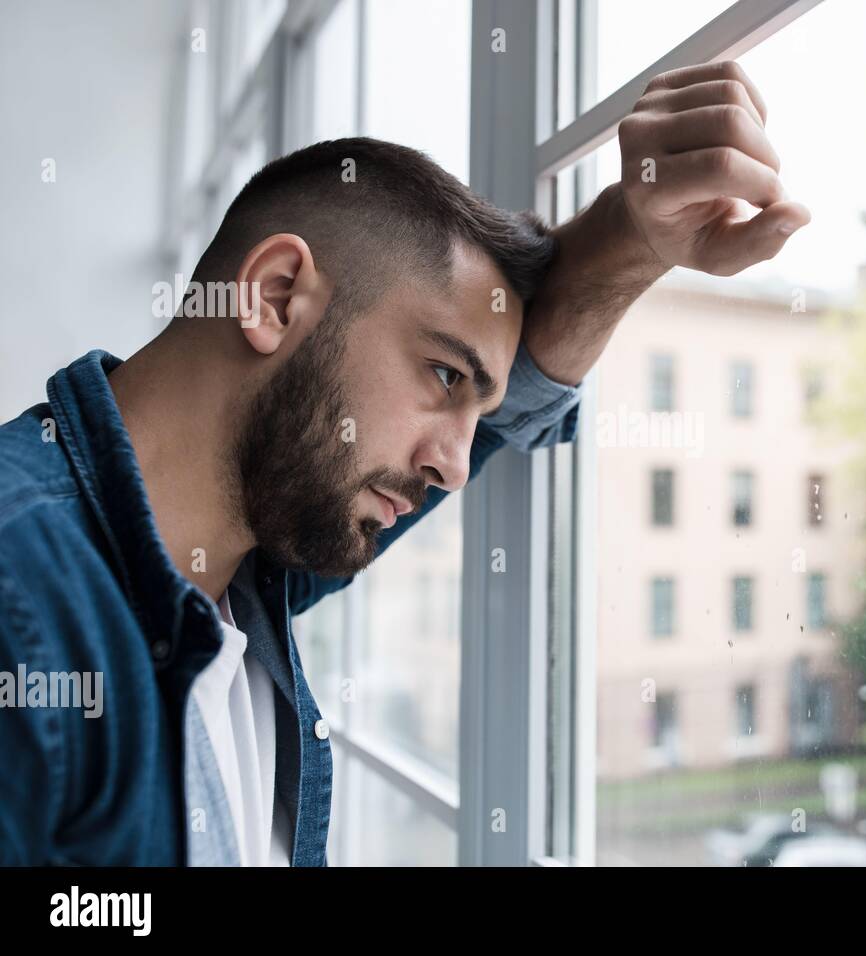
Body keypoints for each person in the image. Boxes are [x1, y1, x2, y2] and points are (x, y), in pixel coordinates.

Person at [0, 62, 809, 865]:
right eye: (445, 376)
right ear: (274, 297)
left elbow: (518, 370)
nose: (455, 469)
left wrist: (632, 234)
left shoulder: (251, 559)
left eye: (475, 411)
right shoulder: (20, 596)